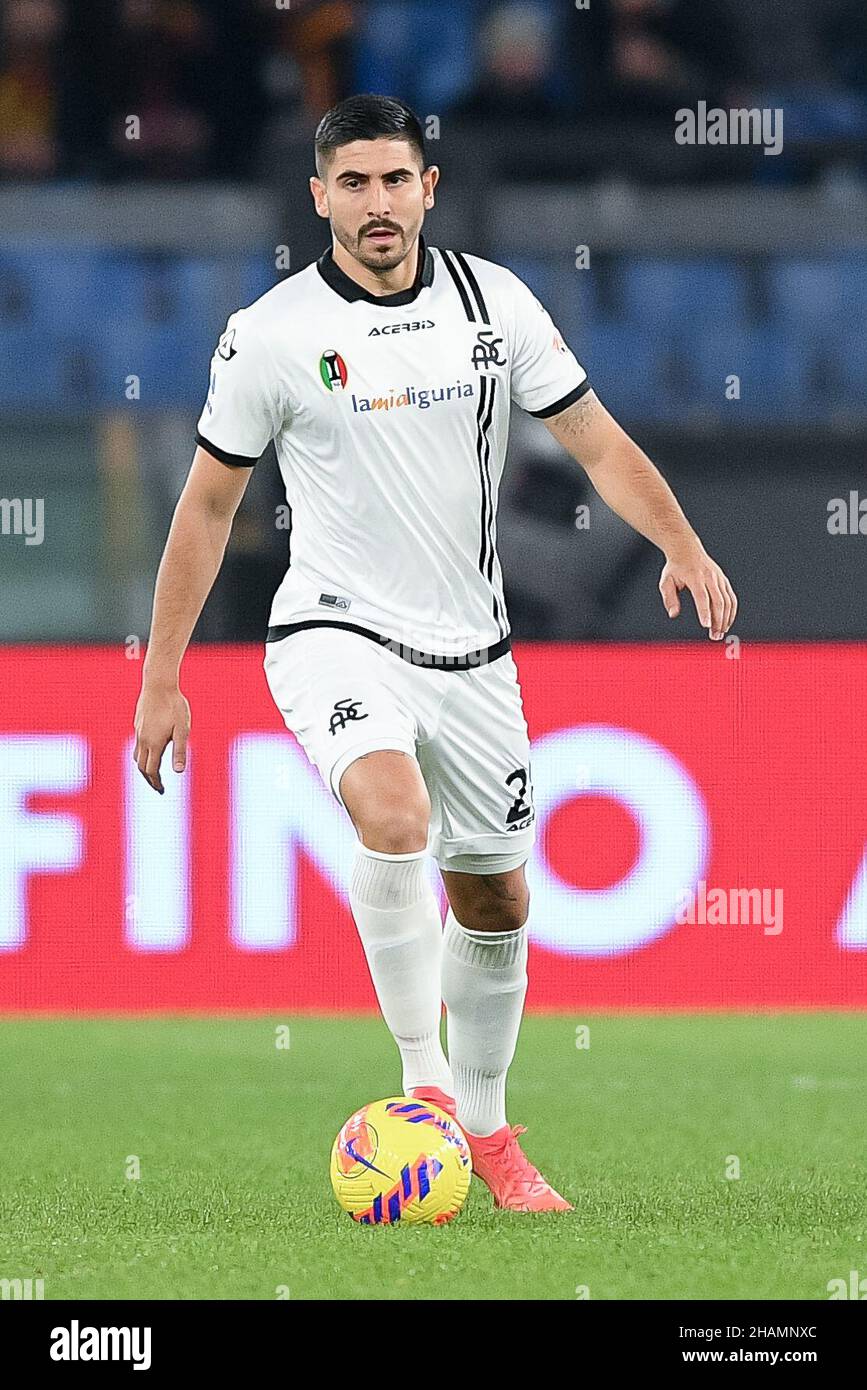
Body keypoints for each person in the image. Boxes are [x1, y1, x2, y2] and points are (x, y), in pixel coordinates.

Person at [133, 93, 737, 1214]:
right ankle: (424, 1101)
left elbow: (594, 435)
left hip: (475, 653)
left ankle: (491, 1127)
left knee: (499, 902)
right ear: (318, 198)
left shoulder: (491, 304)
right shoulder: (272, 334)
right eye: (351, 183)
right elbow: (209, 507)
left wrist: (682, 543)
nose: (376, 204)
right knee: (394, 816)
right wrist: (160, 675)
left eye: (393, 180)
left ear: (428, 189)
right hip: (332, 630)